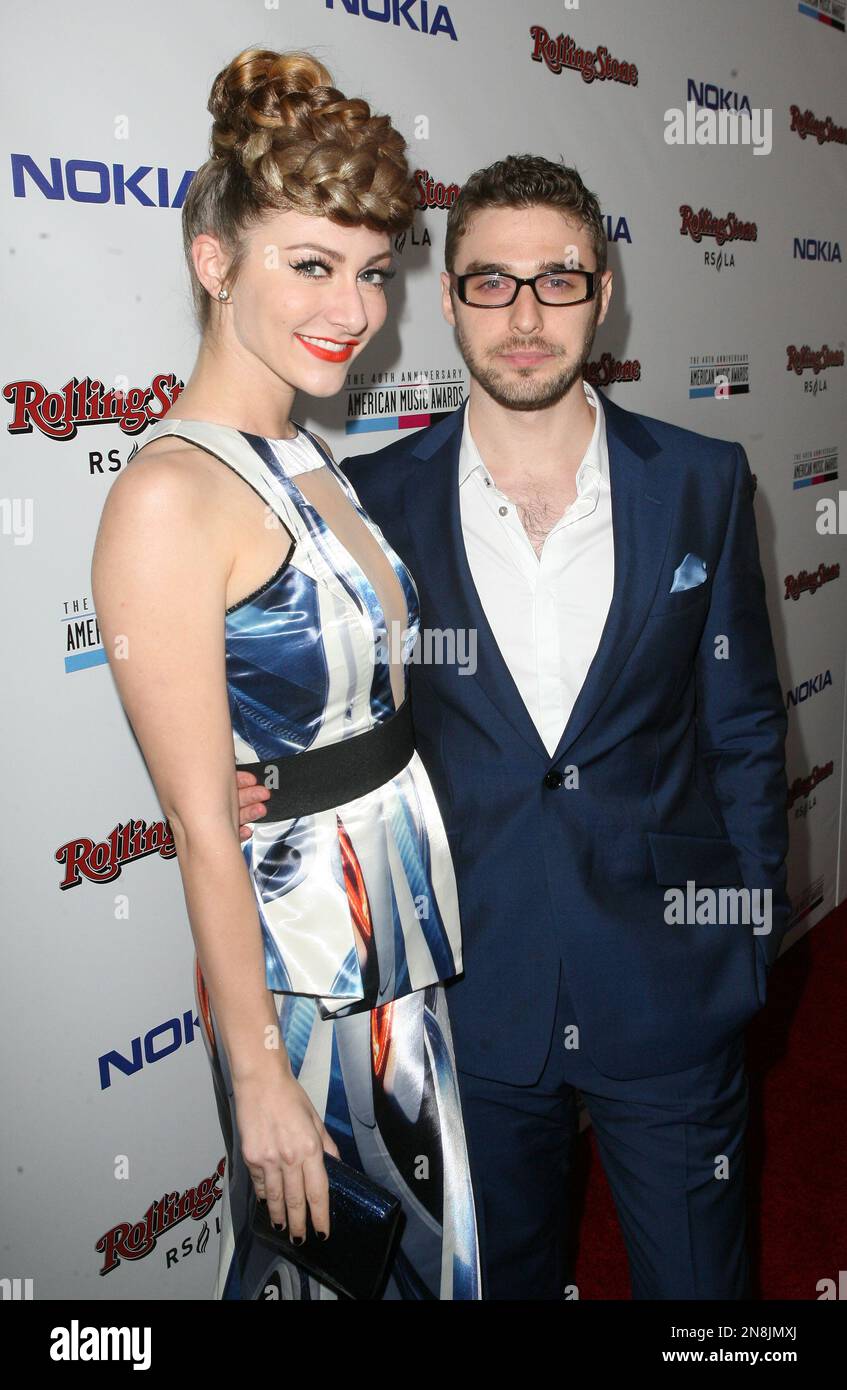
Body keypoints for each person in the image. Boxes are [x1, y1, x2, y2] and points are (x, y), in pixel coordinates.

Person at [238, 154, 791, 1300]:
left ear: (602, 291)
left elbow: (740, 728)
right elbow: (338, 719)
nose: (526, 317)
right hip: (465, 992)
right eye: (491, 283)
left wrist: (742, 945)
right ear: (447, 299)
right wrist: (259, 792)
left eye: (557, 281)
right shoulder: (369, 502)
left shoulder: (700, 480)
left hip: (671, 986)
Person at [91, 46, 481, 1302]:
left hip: (390, 930)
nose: (355, 308)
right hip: (303, 971)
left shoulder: (306, 448)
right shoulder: (166, 495)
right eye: (310, 264)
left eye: (370, 272)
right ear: (215, 261)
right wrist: (258, 1073)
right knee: (345, 1267)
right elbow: (205, 827)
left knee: (409, 1252)